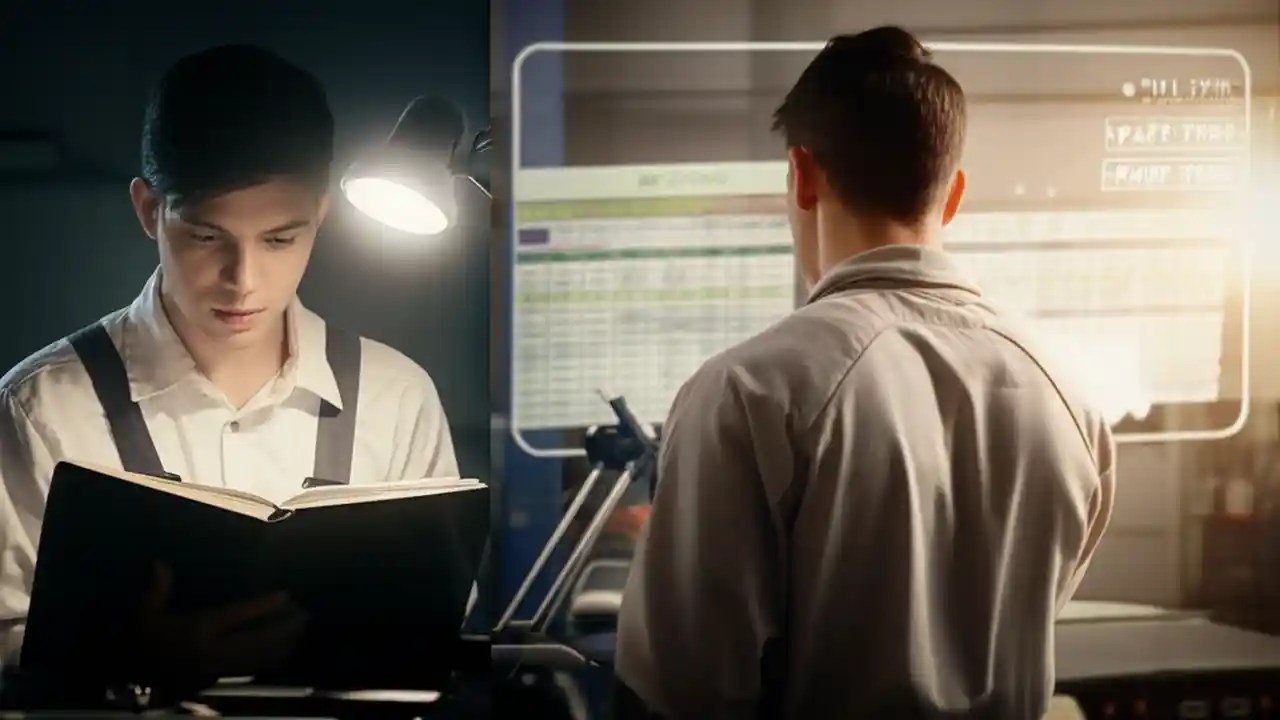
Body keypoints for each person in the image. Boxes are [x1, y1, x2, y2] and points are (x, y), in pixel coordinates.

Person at [614, 26, 1116, 719]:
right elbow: (1015, 608)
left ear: (802, 174)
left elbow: (680, 690)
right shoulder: (1071, 396)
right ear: (953, 193)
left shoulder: (749, 390)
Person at [0, 44, 458, 686]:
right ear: (148, 211)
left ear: (322, 211)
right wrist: (132, 660)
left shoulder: (397, 397)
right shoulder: (41, 408)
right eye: (207, 237)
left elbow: (435, 629)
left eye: (280, 238)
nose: (243, 281)